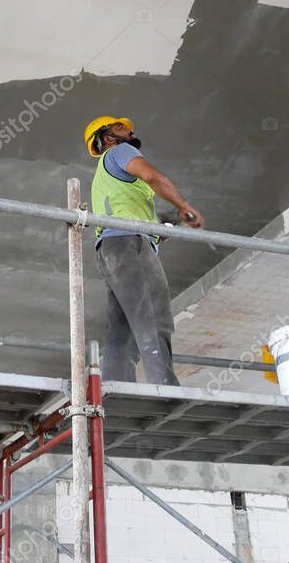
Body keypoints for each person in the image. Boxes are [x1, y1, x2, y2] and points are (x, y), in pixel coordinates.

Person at [84, 116, 204, 385]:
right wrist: (184, 205)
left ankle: (117, 387)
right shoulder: (120, 152)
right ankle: (165, 387)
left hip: (111, 250)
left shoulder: (107, 178)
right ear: (106, 138)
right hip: (130, 244)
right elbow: (153, 176)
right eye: (120, 127)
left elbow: (142, 219)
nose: (130, 130)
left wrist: (167, 224)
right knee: (153, 312)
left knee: (122, 326)